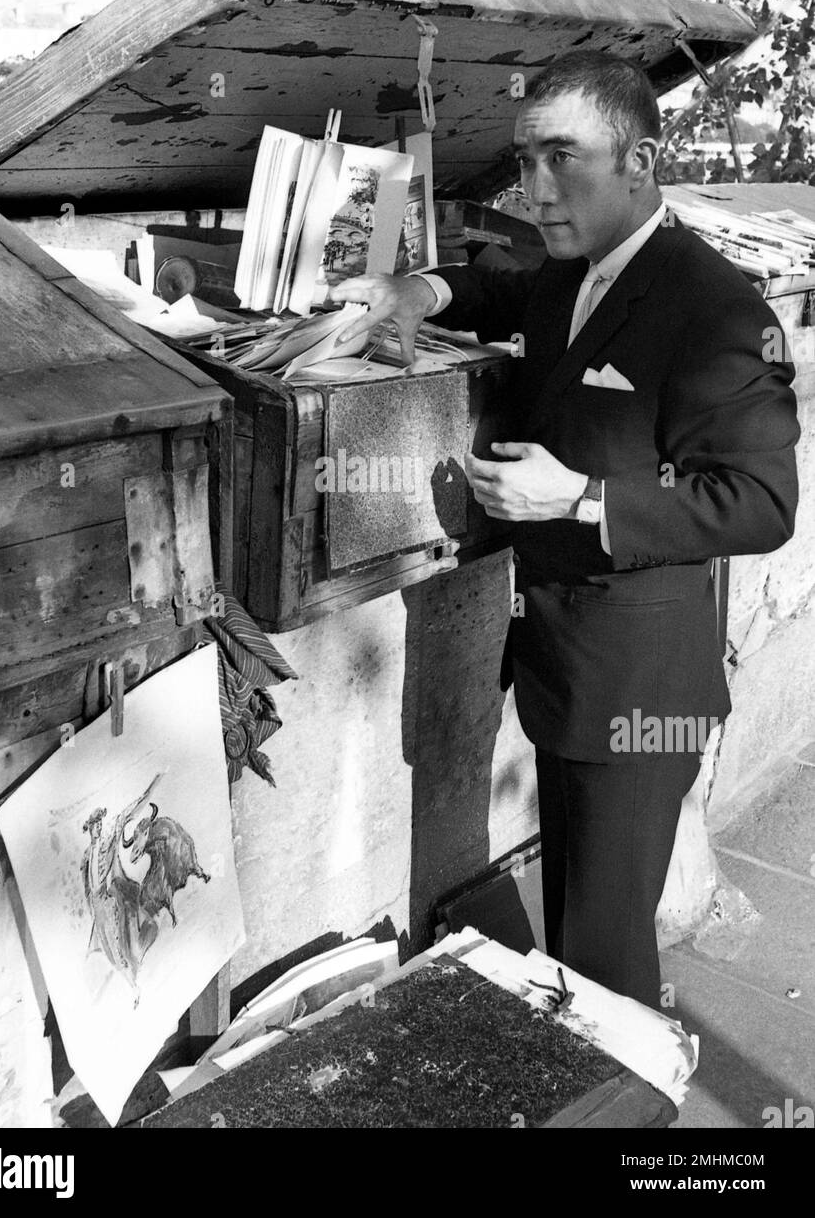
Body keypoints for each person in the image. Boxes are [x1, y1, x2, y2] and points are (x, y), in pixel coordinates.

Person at [330, 51, 800, 1010]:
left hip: (636, 684)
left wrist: (578, 498)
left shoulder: (715, 309)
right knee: (578, 928)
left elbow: (763, 503)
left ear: (639, 159)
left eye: (563, 158)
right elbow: (497, 285)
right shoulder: (573, 268)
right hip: (565, 665)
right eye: (523, 161)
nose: (536, 190)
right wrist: (415, 292)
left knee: (603, 955)